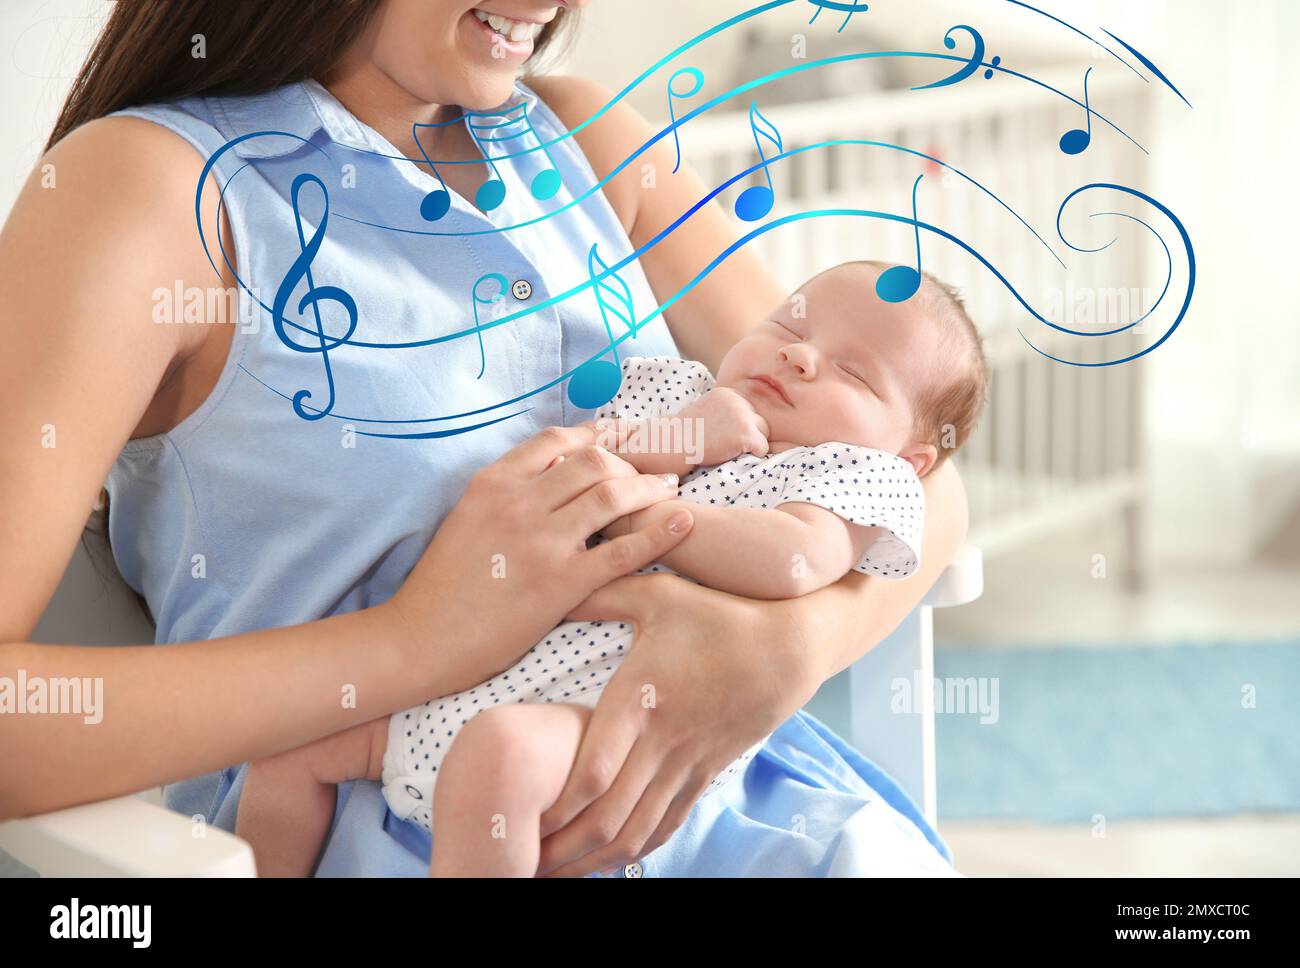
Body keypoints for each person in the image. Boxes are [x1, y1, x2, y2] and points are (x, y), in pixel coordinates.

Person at [0, 0, 969, 877]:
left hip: (716, 808)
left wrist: (784, 643)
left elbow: (912, 465)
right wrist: (410, 643)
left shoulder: (591, 140)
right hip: (373, 819)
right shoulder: (153, 187)